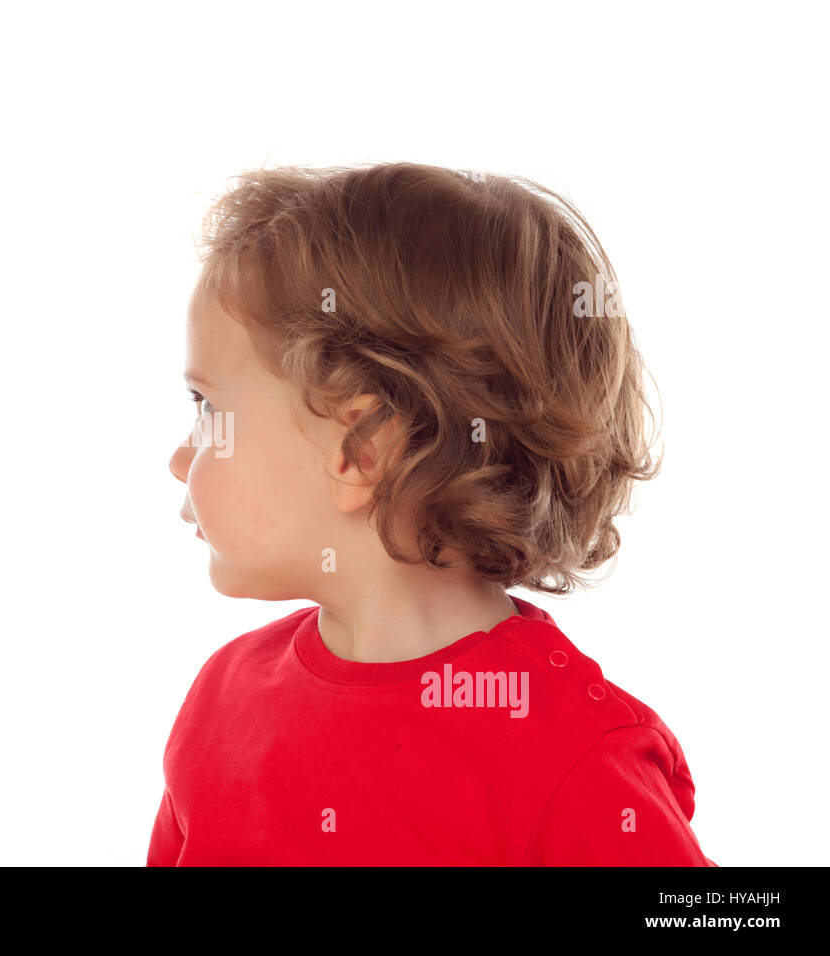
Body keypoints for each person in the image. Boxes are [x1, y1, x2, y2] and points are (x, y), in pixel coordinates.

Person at [151, 163, 716, 866]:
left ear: (359, 449)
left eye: (209, 410)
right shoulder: (221, 700)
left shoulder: (577, 763)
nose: (182, 457)